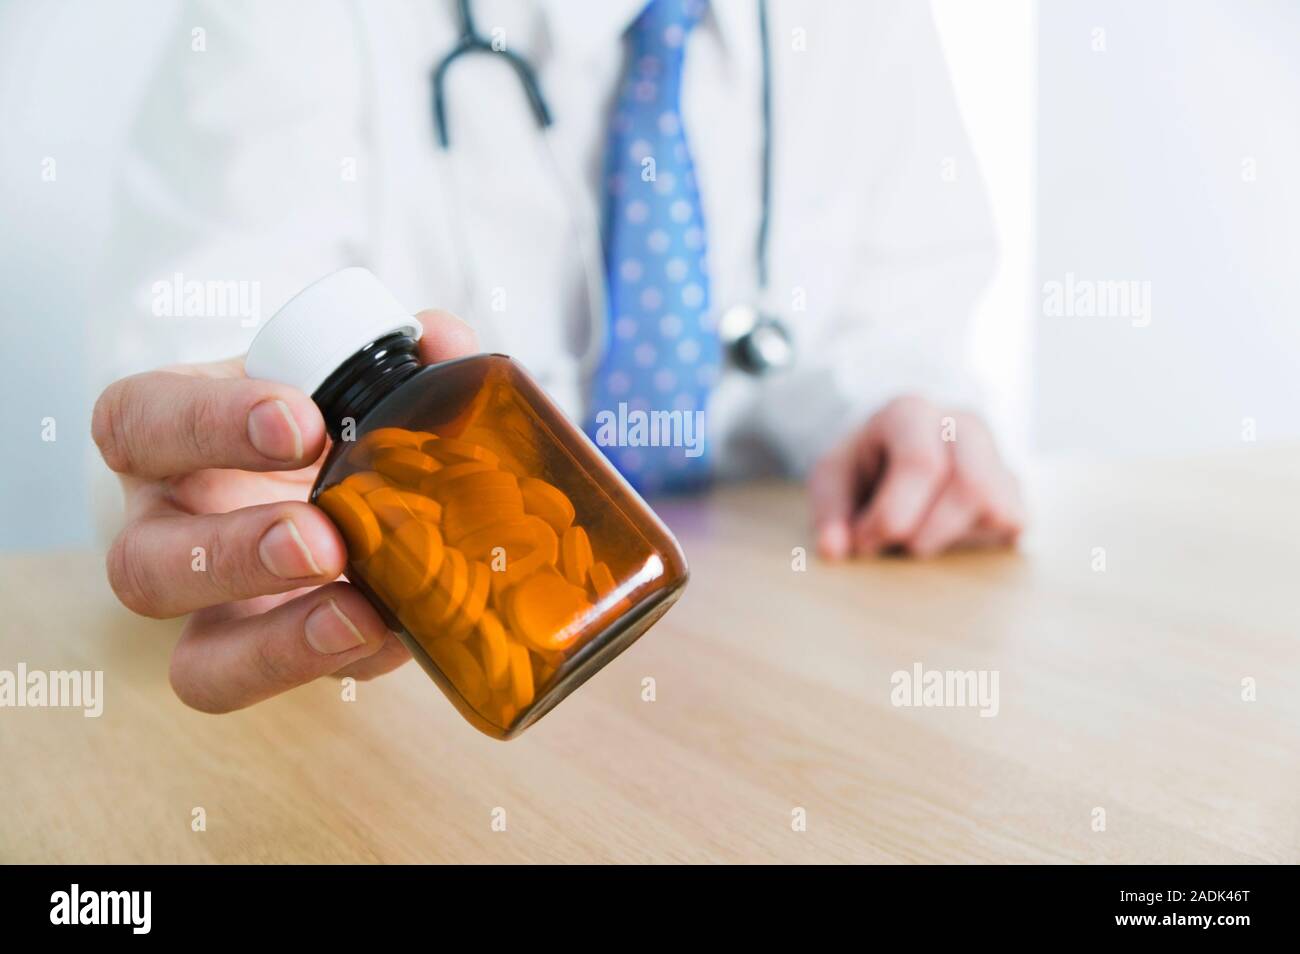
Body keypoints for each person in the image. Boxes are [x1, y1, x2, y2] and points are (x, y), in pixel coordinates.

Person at [92, 0, 1024, 713]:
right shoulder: (287, 26)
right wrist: (226, 501)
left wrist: (905, 418)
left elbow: (907, 310)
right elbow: (205, 363)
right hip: (410, 715)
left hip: (808, 637)